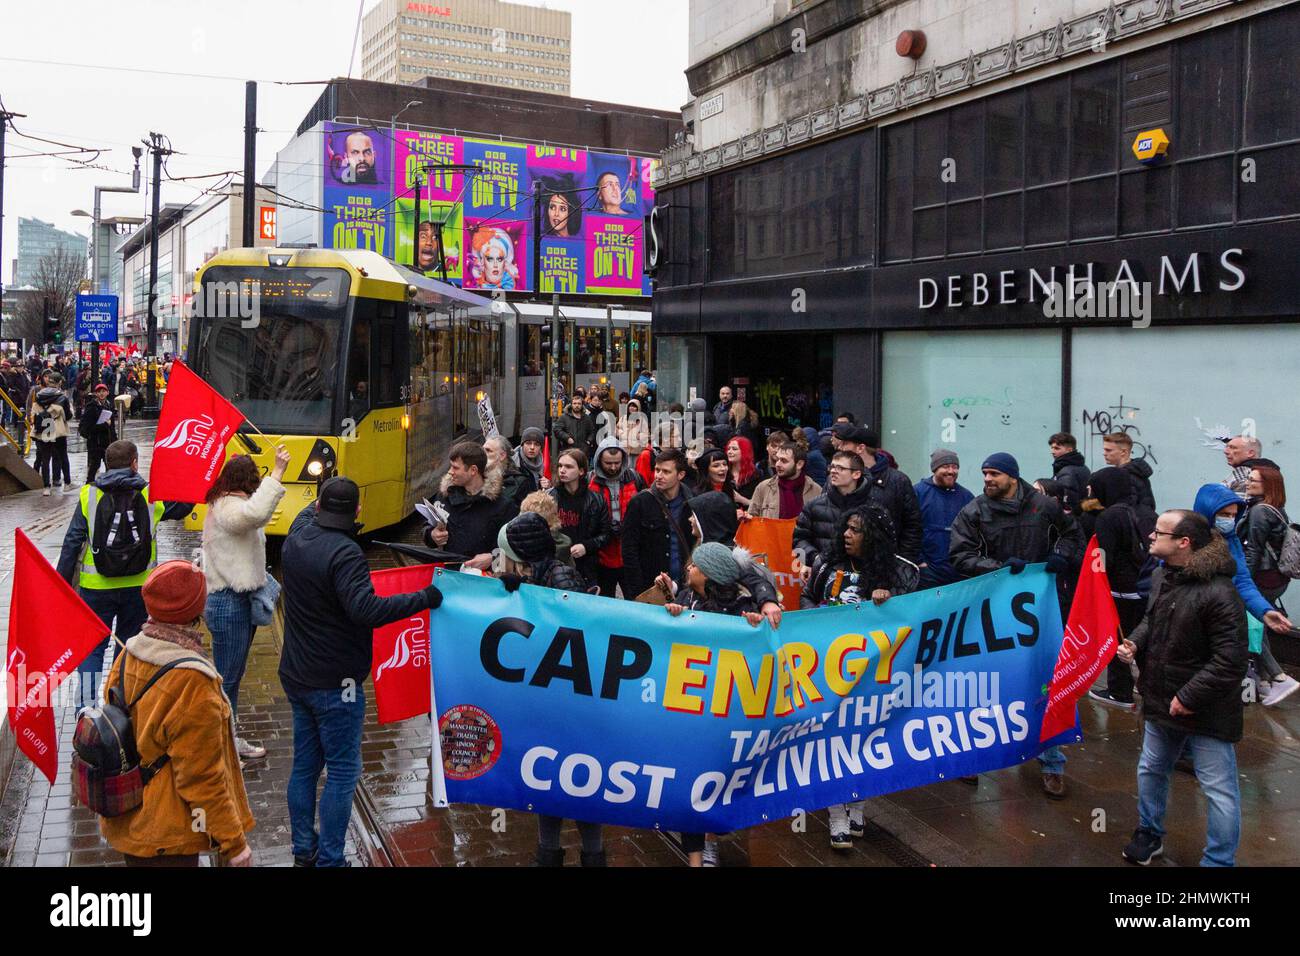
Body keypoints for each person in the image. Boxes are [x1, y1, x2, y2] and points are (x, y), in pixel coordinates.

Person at [280, 476, 443, 867]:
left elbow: (305, 515)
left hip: (297, 674)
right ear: (356, 511)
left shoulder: (295, 539)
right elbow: (366, 611)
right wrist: (424, 598)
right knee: (342, 770)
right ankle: (331, 859)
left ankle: (304, 848)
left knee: (304, 766)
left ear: (317, 506)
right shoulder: (346, 552)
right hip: (339, 682)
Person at [98, 560, 254, 867]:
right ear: (196, 610)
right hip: (168, 836)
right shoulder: (193, 681)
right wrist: (234, 844)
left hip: (133, 819)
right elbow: (201, 776)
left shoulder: (128, 655)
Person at [948, 452, 1084, 798]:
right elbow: (959, 555)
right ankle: (972, 759)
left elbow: (1073, 536)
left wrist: (1062, 556)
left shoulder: (1044, 506)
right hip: (990, 611)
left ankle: (1052, 762)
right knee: (983, 682)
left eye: (994, 473)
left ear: (1012, 476)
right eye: (984, 473)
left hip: (1038, 613)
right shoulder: (975, 511)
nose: (987, 479)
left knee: (1043, 682)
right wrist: (996, 566)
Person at [1116, 510, 1247, 867]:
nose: (1150, 537)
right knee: (1151, 769)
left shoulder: (1219, 593)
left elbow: (1231, 660)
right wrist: (1136, 643)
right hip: (1161, 698)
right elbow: (1152, 619)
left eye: (1159, 532)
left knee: (1219, 791)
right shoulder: (1163, 575)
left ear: (1183, 543)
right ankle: (1149, 833)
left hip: (1207, 711)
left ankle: (1219, 861)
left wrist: (1189, 697)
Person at [802, 503, 916, 847]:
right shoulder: (826, 563)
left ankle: (858, 806)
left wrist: (890, 601)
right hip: (828, 670)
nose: (847, 535)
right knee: (834, 739)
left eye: (857, 530)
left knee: (866, 739)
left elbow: (913, 615)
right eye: (846, 528)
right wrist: (820, 616)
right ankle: (836, 813)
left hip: (874, 675)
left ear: (875, 537)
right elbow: (806, 599)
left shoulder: (897, 573)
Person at [493, 511, 600, 865]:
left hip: (571, 704)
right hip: (546, 701)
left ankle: (592, 854)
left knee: (581, 785)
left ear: (521, 554)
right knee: (547, 784)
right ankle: (548, 854)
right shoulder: (535, 575)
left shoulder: (562, 576)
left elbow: (576, 632)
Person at [57, 440, 192, 708]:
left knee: (92, 649)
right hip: (139, 588)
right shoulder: (150, 495)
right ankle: (118, 709)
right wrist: (192, 476)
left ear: (106, 465)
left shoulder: (88, 495)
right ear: (134, 463)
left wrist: (61, 585)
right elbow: (183, 507)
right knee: (129, 648)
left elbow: (72, 542)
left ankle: (86, 713)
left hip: (95, 588)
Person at [664, 541, 764, 866]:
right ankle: (698, 851)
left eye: (694, 565)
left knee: (718, 777)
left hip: (726, 710)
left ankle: (710, 838)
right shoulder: (686, 598)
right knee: (691, 777)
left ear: (708, 575)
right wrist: (674, 615)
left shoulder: (741, 608)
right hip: (691, 708)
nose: (688, 568)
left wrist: (753, 628)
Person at [201, 446, 291, 760]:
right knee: (227, 677)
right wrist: (277, 473)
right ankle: (219, 743)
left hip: (237, 600)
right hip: (229, 602)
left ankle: (229, 736)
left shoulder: (227, 502)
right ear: (248, 480)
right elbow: (253, 515)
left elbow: (254, 515)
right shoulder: (227, 506)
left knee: (232, 676)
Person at [1081, 467, 1155, 710]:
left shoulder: (1109, 517)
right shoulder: (1146, 512)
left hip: (1120, 590)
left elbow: (1105, 558)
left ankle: (1119, 692)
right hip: (1147, 587)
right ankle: (1150, 688)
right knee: (1144, 640)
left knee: (1119, 640)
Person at [1239, 465, 1299, 705]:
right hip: (1276, 578)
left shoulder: (1259, 512)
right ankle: (1265, 682)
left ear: (1268, 486)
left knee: (1252, 626)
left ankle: (1279, 676)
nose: (1248, 483)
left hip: (1262, 578)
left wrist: (1245, 585)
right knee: (1258, 626)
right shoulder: (1276, 509)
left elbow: (1253, 550)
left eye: (1253, 481)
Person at [424, 441, 519, 570]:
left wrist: (492, 559)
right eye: (451, 466)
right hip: (449, 576)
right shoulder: (445, 496)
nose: (450, 472)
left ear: (473, 470)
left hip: (482, 582)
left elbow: (515, 550)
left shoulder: (503, 506)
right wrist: (432, 535)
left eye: (455, 468)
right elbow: (428, 528)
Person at [622, 448, 695, 600]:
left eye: (666, 472)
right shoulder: (640, 502)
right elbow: (629, 549)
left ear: (680, 475)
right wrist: (638, 591)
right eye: (657, 470)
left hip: (684, 585)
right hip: (650, 586)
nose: (659, 476)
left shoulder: (692, 502)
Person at [792, 450, 874, 579]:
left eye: (840, 468)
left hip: (863, 577)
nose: (833, 471)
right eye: (832, 467)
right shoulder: (814, 505)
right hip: (823, 576)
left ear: (856, 474)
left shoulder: (873, 508)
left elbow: (884, 545)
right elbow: (798, 539)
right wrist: (815, 559)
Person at [589, 435, 645, 598]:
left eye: (617, 463)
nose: (613, 467)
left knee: (634, 599)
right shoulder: (589, 481)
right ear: (599, 460)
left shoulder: (634, 478)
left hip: (630, 554)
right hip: (602, 555)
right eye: (608, 463)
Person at [548, 448, 610, 589]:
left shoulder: (596, 500)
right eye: (560, 466)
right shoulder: (549, 498)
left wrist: (586, 546)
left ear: (581, 471)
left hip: (587, 567)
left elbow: (605, 534)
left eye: (569, 467)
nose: (562, 470)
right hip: (556, 565)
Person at [914, 449, 974, 589]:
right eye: (946, 466)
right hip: (927, 572)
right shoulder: (917, 493)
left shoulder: (967, 497)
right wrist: (919, 561)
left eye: (955, 467)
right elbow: (908, 529)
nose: (951, 471)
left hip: (958, 572)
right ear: (935, 469)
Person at [748, 440, 822, 520]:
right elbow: (751, 520)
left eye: (784, 461)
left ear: (799, 464)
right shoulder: (764, 487)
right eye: (777, 459)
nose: (778, 464)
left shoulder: (816, 491)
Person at [29, 372, 73, 495]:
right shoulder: (62, 397)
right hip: (58, 429)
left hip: (43, 428)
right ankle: (67, 483)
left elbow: (34, 412)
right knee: (63, 456)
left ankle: (46, 487)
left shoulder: (39, 395)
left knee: (45, 458)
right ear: (59, 383)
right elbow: (68, 416)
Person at [1102, 432, 1156, 512]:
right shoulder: (1136, 471)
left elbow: (1127, 510)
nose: (1104, 454)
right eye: (1104, 450)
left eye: (1108, 450)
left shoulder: (1126, 476)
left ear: (1123, 452)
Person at [485, 434, 534, 507]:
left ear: (502, 455)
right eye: (482, 450)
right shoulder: (476, 477)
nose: (483, 454)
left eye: (488, 451)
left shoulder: (520, 482)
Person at [1048, 432, 1091, 513]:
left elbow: (1068, 502)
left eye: (1057, 448)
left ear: (1069, 450)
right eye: (1052, 448)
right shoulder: (1081, 466)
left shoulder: (1067, 471)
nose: (1052, 451)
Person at [553, 391, 596, 460]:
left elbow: (592, 432)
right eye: (574, 403)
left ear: (582, 405)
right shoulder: (564, 417)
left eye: (579, 403)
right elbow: (557, 429)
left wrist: (588, 441)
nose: (577, 405)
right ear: (571, 404)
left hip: (583, 451)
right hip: (568, 450)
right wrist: (567, 438)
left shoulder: (586, 418)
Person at [725, 435, 760, 510]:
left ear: (744, 451)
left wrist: (741, 499)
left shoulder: (756, 475)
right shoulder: (724, 472)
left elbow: (761, 506)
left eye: (734, 449)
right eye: (728, 449)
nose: (729, 452)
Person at [1222, 435, 1262, 500]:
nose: (1225, 451)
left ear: (1250, 453)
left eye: (1233, 448)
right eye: (1227, 447)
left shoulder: (1245, 477)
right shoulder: (1259, 473)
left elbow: (1238, 507)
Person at [512, 426, 548, 491]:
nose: (532, 447)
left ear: (541, 448)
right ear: (522, 445)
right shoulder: (512, 465)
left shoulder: (541, 465)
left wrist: (546, 487)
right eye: (528, 443)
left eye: (536, 444)